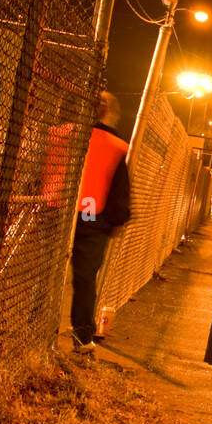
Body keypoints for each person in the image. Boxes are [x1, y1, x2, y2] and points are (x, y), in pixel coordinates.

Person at [71, 90, 132, 352]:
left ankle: (36, 325)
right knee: (85, 278)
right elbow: (120, 190)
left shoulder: (66, 134)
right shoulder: (116, 145)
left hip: (59, 209)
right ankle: (82, 335)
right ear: (110, 113)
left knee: (50, 274)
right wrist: (116, 220)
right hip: (93, 215)